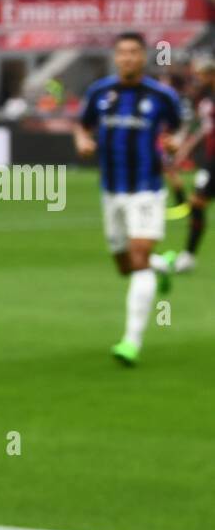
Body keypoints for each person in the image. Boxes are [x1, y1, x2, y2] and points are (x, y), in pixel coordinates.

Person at [75, 32, 184, 366]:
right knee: (126, 266)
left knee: (138, 255)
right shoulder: (100, 92)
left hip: (147, 189)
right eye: (121, 52)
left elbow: (178, 128)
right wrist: (82, 141)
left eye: (134, 52)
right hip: (111, 190)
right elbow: (82, 126)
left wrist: (174, 144)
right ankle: (160, 266)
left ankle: (130, 342)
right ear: (115, 57)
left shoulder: (162, 96)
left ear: (143, 57)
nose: (127, 58)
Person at [162, 57, 215, 273]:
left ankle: (188, 256)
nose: (198, 79)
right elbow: (203, 130)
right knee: (197, 203)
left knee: (197, 202)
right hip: (212, 160)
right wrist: (183, 150)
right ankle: (188, 256)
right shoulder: (205, 101)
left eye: (201, 75)